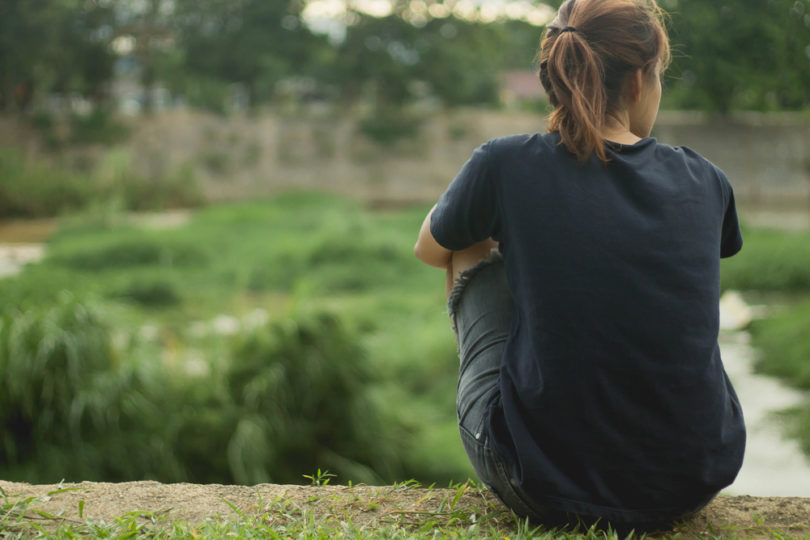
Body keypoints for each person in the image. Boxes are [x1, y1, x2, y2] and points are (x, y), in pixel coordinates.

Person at [413, 0, 746, 532]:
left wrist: (495, 210)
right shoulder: (705, 179)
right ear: (639, 83)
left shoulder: (505, 162)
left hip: (545, 488)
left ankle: (527, 411)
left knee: (466, 243)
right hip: (693, 479)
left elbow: (431, 250)